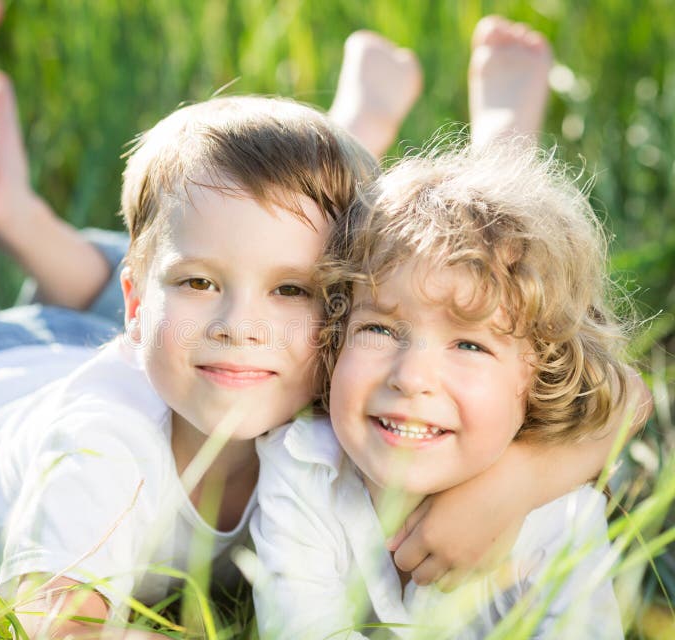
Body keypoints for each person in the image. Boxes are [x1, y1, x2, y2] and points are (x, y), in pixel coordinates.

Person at [0, 2, 648, 638]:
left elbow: (603, 382)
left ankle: (390, 141)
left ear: (339, 318)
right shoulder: (101, 449)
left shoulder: (345, 388)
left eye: (294, 292)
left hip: (73, 349)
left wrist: (514, 486)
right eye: (204, 286)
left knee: (224, 240)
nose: (244, 326)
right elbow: (61, 621)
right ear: (135, 306)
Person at [251, 139, 644, 638]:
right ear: (336, 336)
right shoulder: (303, 466)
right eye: (379, 330)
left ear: (539, 377)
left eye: (469, 346)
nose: (410, 377)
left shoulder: (559, 521)